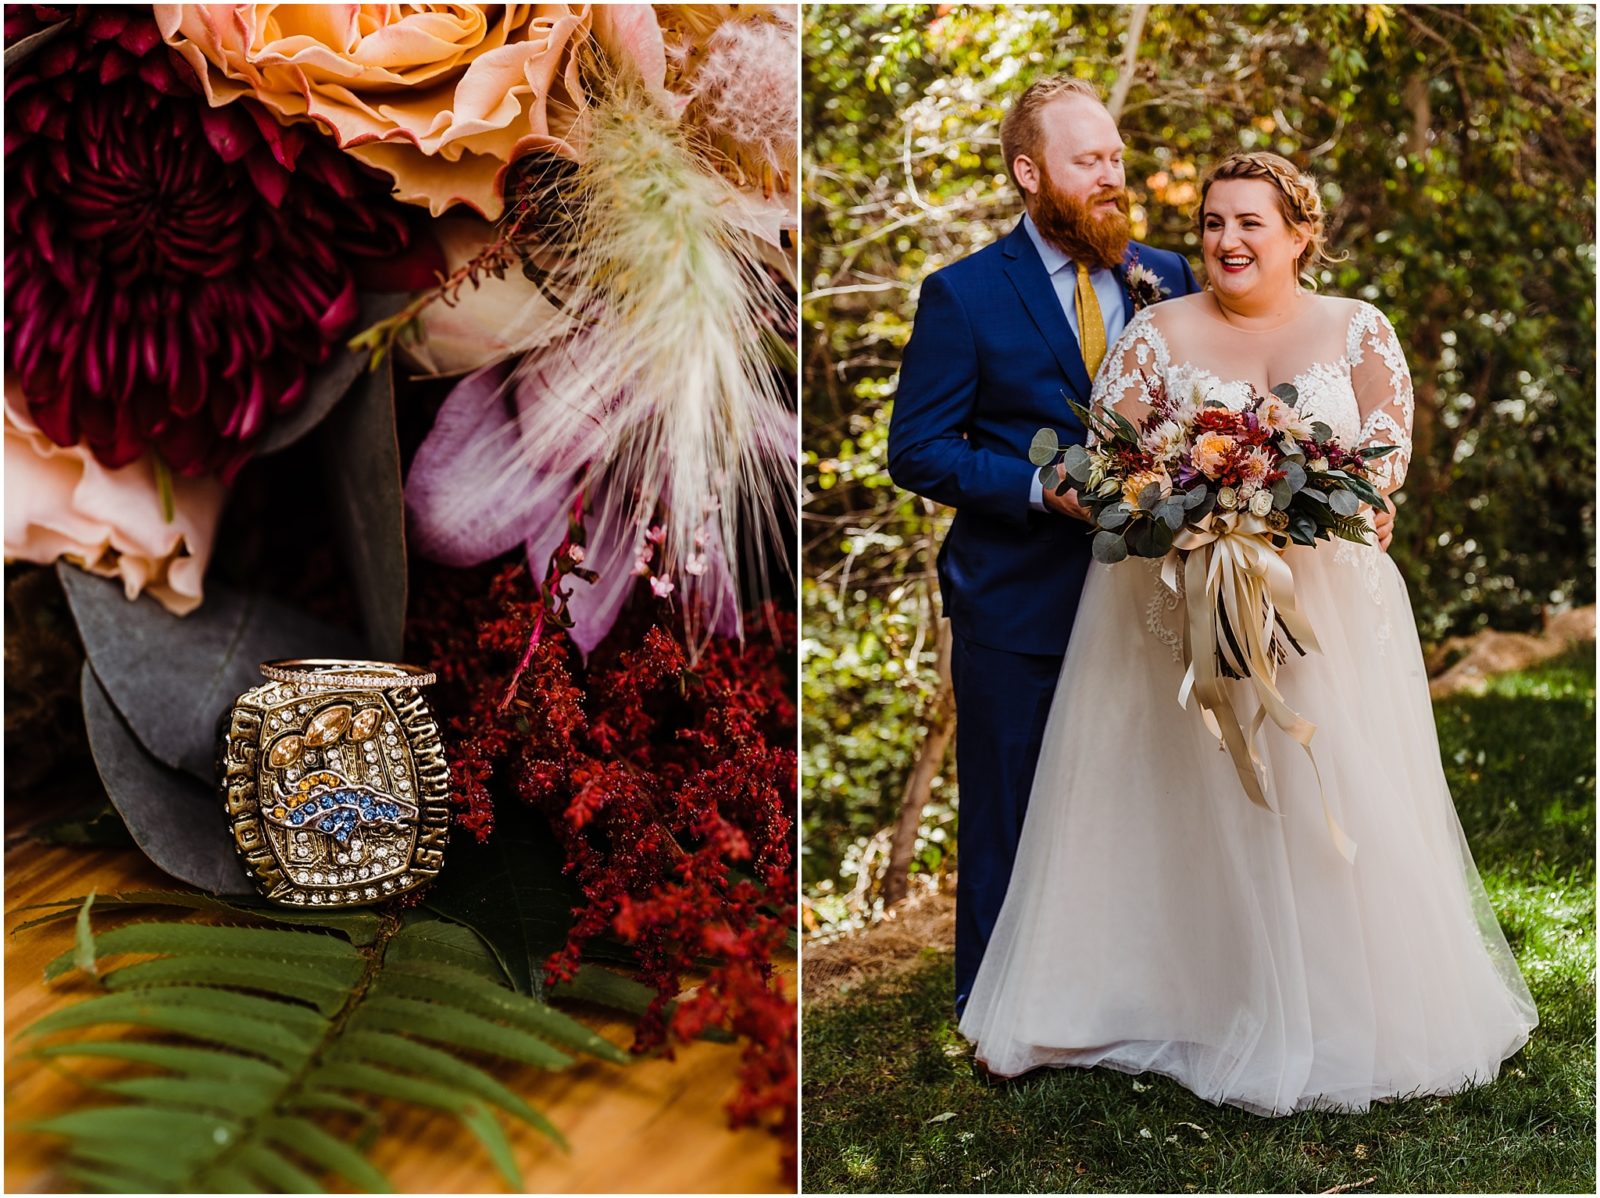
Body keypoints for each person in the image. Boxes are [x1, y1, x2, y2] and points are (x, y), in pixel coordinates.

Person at [958, 151, 1538, 1114]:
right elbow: (1113, 466)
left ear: (1300, 232)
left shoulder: (1359, 329)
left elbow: (1385, 456)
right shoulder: (1155, 332)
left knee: (1320, 797)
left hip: (1327, 612)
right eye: (1213, 223)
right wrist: (1185, 503)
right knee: (1174, 800)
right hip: (1173, 611)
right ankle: (1165, 995)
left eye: (1249, 223)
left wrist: (1307, 499)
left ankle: (1340, 1006)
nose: (1227, 241)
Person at [887, 77, 1204, 1018]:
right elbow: (919, 450)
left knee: (1145, 798)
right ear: (1030, 174)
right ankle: (993, 1006)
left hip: (1154, 593)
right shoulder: (965, 296)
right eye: (1088, 161)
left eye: (1115, 157)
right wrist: (1036, 487)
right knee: (1009, 810)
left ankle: (1137, 988)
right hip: (1017, 597)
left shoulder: (1167, 276)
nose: (1112, 175)